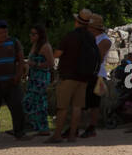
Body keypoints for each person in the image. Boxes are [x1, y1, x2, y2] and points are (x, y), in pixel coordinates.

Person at [50, 9, 98, 142]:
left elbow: (57, 54)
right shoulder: (91, 37)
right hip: (84, 77)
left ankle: (57, 135)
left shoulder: (70, 36)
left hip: (69, 75)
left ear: (77, 21)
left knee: (63, 107)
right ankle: (72, 135)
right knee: (77, 107)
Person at [79, 14, 112, 138]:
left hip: (97, 73)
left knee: (94, 102)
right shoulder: (89, 38)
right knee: (82, 102)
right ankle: (79, 125)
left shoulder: (104, 40)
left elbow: (98, 56)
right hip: (86, 72)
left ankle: (91, 126)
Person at [23, 25, 55, 136]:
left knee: (39, 102)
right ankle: (36, 126)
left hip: (41, 79)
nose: (31, 36)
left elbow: (51, 64)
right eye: (30, 33)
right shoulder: (34, 46)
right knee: (30, 102)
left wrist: (35, 64)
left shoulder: (46, 47)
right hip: (33, 78)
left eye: (34, 34)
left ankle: (42, 127)